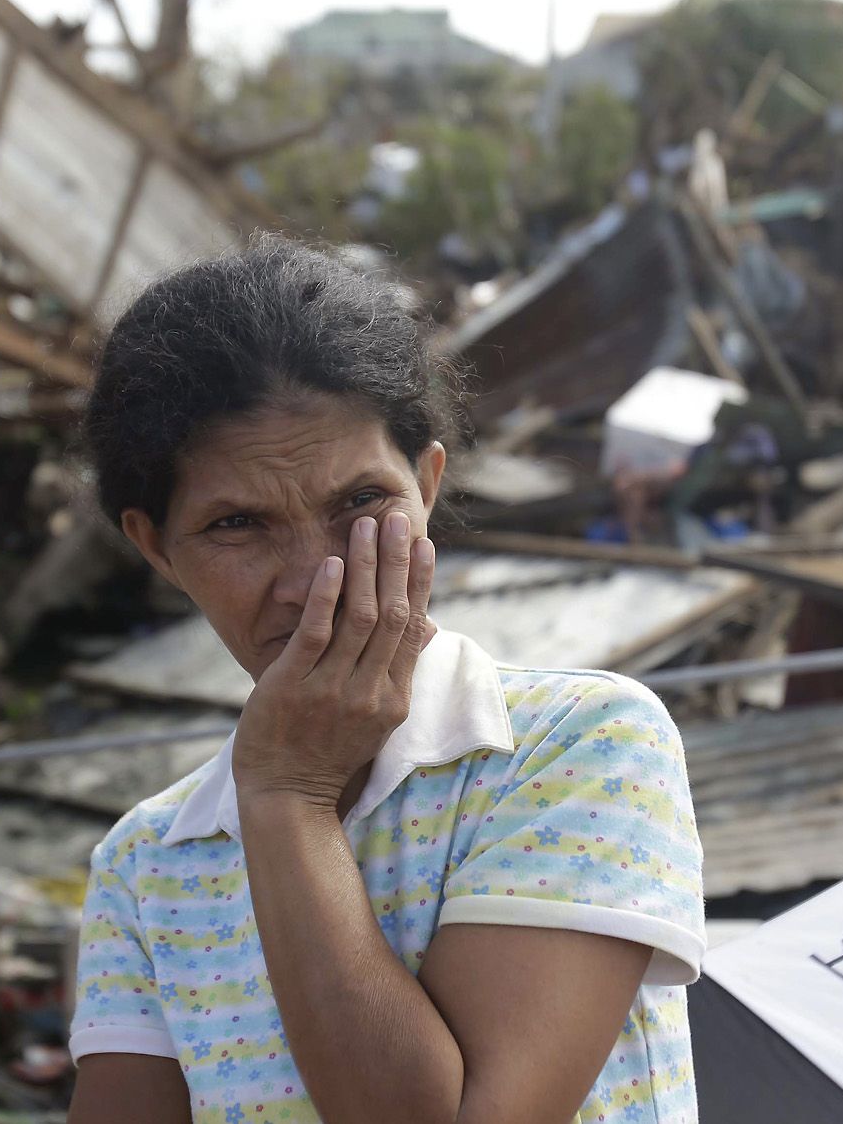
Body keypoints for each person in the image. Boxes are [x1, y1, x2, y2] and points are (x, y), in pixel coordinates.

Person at [67, 238, 706, 1124]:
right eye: (238, 524)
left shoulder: (581, 747)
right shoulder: (148, 866)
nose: (314, 579)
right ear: (155, 548)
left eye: (361, 505)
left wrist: (289, 796)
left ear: (428, 485)